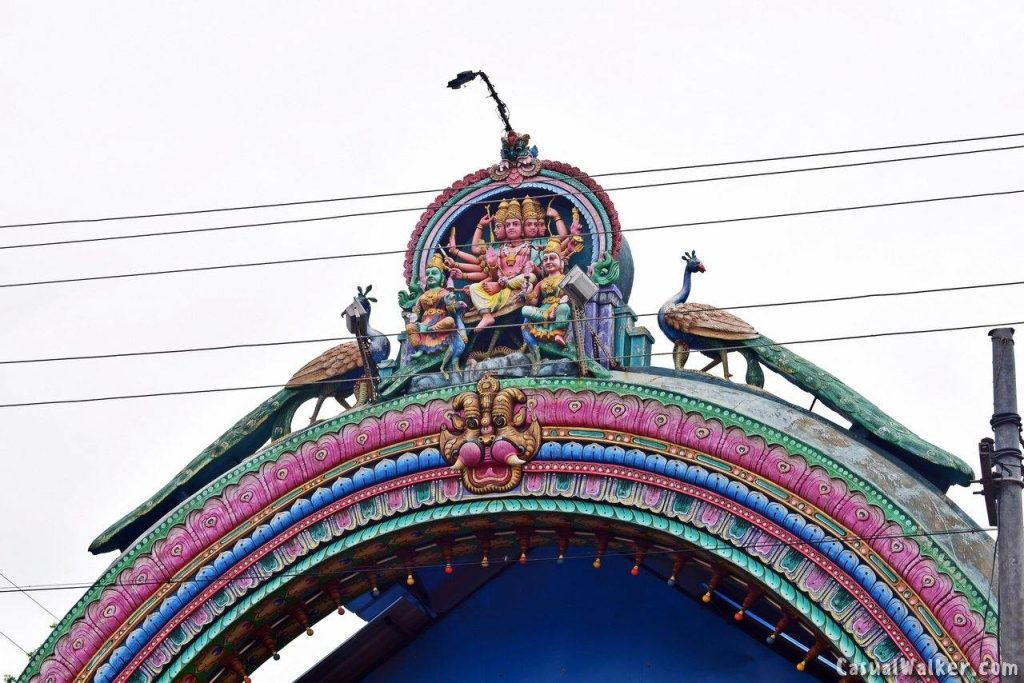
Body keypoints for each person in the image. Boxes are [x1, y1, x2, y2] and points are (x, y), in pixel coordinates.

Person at [466, 199, 536, 330]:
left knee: (530, 277)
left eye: (515, 224)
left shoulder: (531, 246)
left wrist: (501, 284)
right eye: (508, 225)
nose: (511, 227)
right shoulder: (499, 249)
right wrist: (480, 226)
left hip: (518, 284)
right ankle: (486, 315)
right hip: (501, 286)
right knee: (474, 288)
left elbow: (535, 273)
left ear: (522, 228)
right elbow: (475, 249)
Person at [405, 253, 467, 360]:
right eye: (428, 274)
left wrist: (450, 304)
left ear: (442, 277)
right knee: (409, 327)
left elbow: (452, 311)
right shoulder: (422, 296)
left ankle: (428, 330)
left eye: (434, 273)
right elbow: (416, 311)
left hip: (439, 323)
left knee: (450, 321)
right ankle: (419, 348)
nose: (430, 276)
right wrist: (413, 316)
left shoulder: (444, 292)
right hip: (423, 322)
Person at [522, 237, 572, 349]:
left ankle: (559, 333)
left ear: (561, 262)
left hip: (558, 308)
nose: (548, 262)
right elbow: (534, 302)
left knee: (564, 308)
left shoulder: (565, 279)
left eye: (552, 258)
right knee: (525, 310)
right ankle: (548, 318)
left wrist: (563, 301)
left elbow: (571, 295)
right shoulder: (541, 283)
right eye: (545, 259)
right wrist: (527, 292)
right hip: (543, 310)